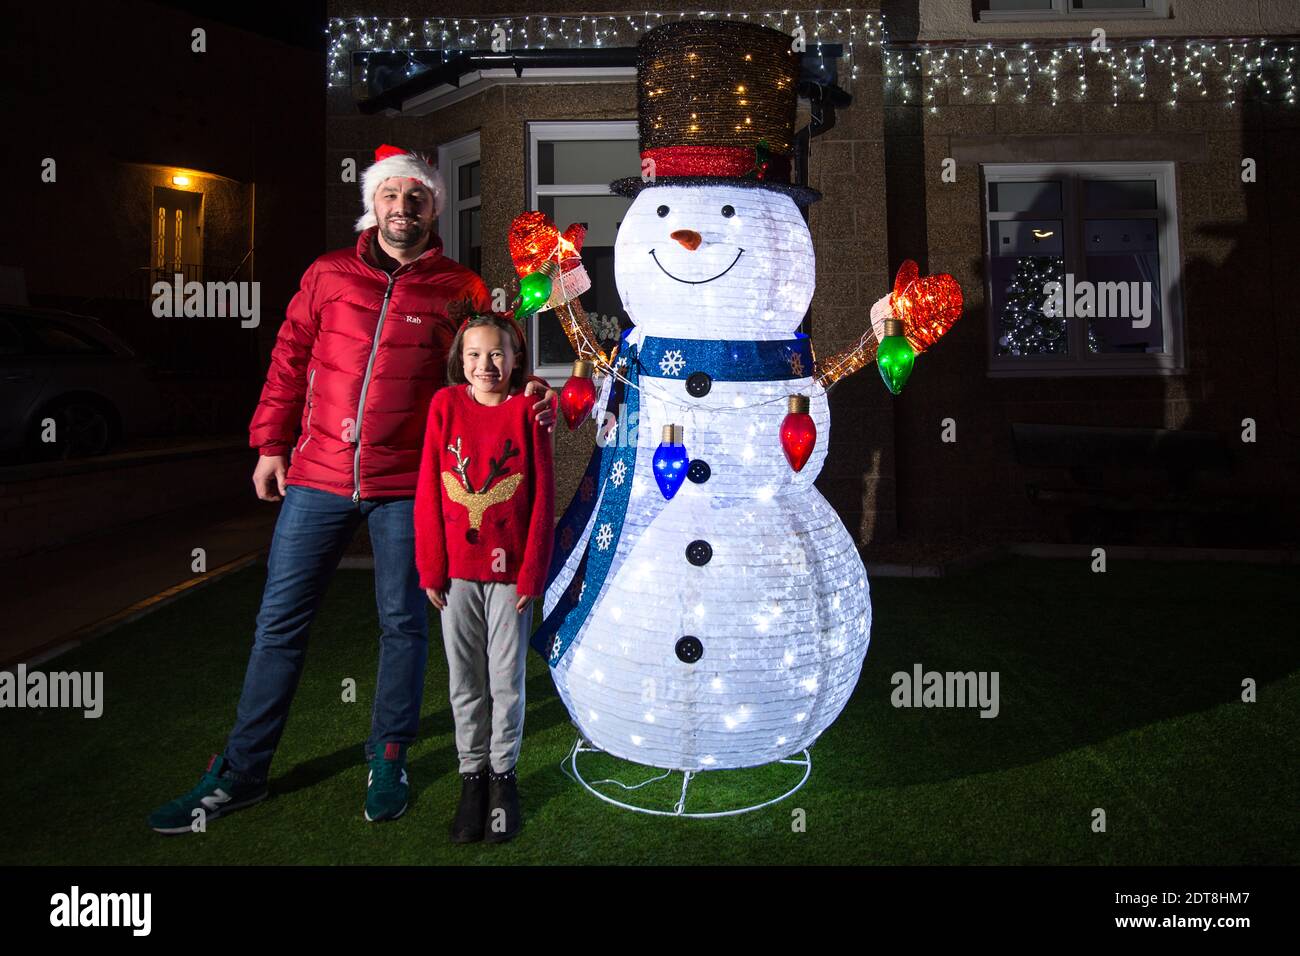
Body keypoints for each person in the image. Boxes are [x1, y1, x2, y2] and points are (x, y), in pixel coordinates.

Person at [148, 145, 557, 834]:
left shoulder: (461, 288)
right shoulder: (328, 274)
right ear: (375, 204)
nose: (404, 209)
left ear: (433, 208)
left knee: (402, 627)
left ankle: (389, 755)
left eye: (417, 198)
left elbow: (487, 367)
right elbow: (290, 354)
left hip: (409, 485)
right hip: (318, 474)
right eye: (392, 197)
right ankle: (242, 772)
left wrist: (529, 393)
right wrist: (271, 443)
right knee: (279, 624)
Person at [414, 311, 554, 843]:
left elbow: (541, 497)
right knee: (464, 683)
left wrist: (531, 574)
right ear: (460, 360)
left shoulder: (528, 412)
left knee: (506, 682)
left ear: (515, 359)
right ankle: (471, 778)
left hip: (509, 579)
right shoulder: (445, 406)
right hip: (456, 578)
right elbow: (429, 488)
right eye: (474, 354)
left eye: (497, 353)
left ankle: (503, 778)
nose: (485, 364)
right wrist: (431, 565)